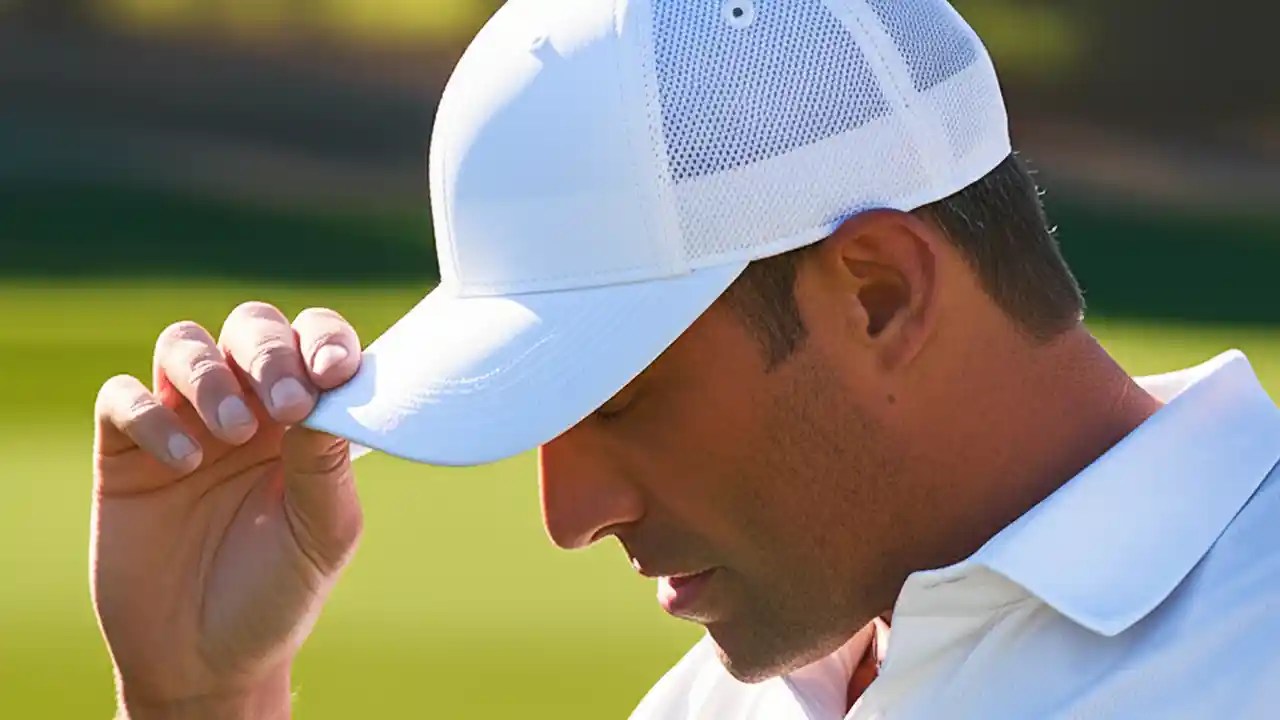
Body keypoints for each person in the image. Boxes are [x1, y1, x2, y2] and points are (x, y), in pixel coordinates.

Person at [90, 0, 1280, 718]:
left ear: (875, 295)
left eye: (616, 396)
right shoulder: (735, 695)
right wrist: (202, 700)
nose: (566, 515)